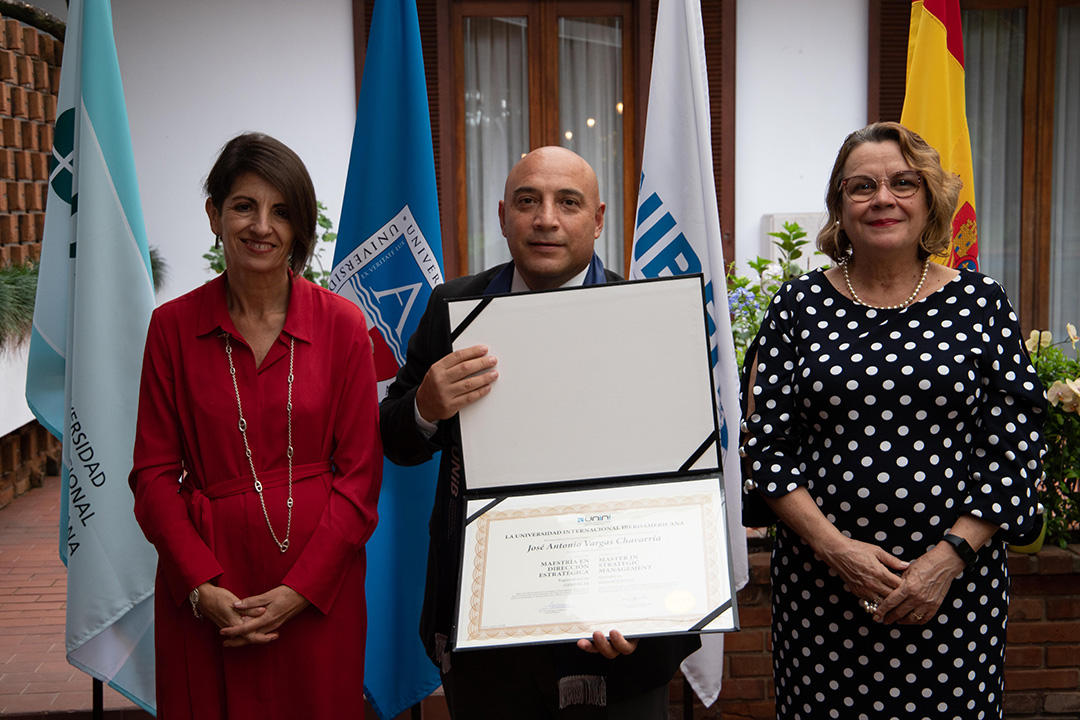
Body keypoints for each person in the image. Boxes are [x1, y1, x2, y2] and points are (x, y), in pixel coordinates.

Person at [380, 146, 700, 719]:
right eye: (528, 201)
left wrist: (648, 608)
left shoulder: (646, 318)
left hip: (620, 634)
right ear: (503, 216)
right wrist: (425, 405)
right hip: (487, 631)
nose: (546, 219)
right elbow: (398, 442)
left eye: (567, 202)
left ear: (598, 219)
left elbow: (679, 482)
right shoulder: (454, 308)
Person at [741, 121, 1046, 719]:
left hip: (957, 592)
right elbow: (768, 445)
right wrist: (836, 551)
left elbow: (1014, 446)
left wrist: (947, 559)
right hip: (822, 591)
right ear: (839, 206)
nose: (884, 199)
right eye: (863, 187)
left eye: (904, 183)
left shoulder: (982, 305)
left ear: (930, 198)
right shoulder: (797, 307)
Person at [129, 133, 382, 719]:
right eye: (244, 205)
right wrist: (200, 586)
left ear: (299, 227)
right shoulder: (171, 329)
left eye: (281, 211)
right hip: (209, 587)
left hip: (320, 586)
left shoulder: (343, 325)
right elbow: (153, 475)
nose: (261, 226)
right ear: (215, 214)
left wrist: (300, 592)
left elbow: (361, 479)